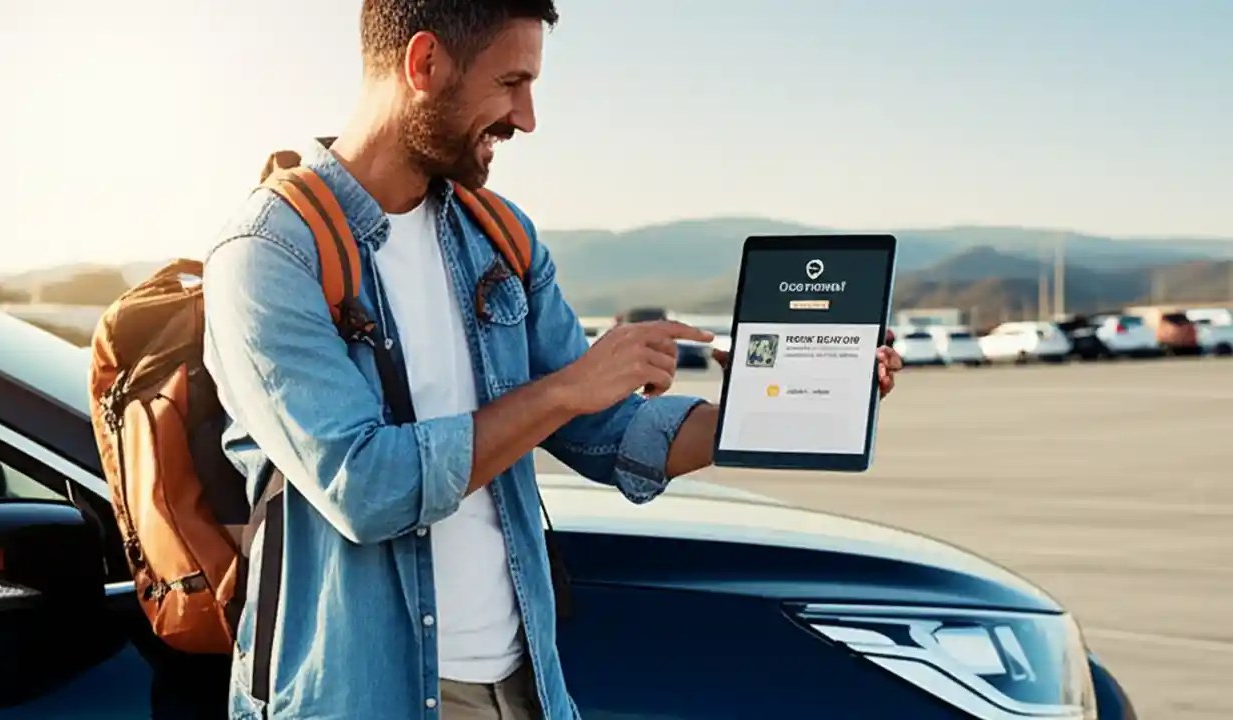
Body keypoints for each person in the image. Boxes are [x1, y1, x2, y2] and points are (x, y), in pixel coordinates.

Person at [201, 1, 905, 718]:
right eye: (511, 82)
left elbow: (609, 431)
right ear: (424, 64)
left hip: (525, 685)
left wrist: (787, 406)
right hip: (363, 694)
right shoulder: (269, 254)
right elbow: (367, 487)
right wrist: (567, 390)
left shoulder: (497, 238)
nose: (527, 118)